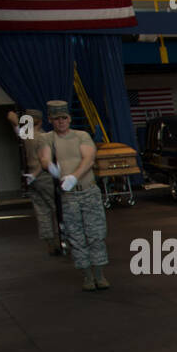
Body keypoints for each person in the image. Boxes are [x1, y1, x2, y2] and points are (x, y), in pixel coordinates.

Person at [38, 100, 109, 291]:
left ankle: (99, 275)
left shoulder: (81, 136)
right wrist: (50, 168)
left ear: (69, 118)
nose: (61, 122)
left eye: (64, 118)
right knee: (76, 236)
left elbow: (89, 158)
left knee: (96, 234)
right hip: (69, 197)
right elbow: (44, 157)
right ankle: (87, 277)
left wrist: (74, 177)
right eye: (56, 119)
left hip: (88, 191)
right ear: (50, 120)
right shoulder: (48, 138)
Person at [7, 108, 59, 255]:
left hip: (31, 178)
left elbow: (13, 122)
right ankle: (62, 240)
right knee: (56, 209)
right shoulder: (43, 137)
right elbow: (46, 161)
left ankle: (50, 243)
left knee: (42, 211)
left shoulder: (27, 136)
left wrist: (16, 119)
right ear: (41, 121)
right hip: (43, 176)